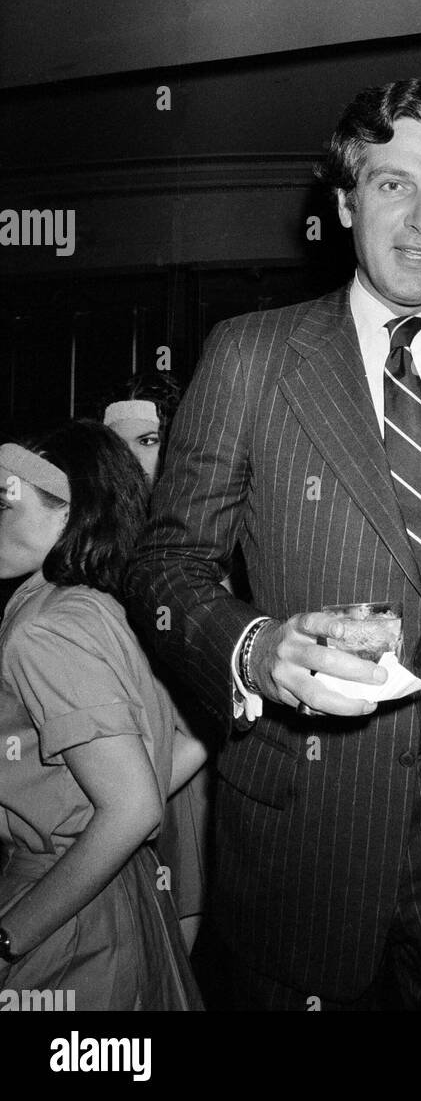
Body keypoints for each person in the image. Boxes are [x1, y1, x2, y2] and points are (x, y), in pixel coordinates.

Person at [125, 80, 421, 1011]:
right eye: (393, 184)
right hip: (304, 838)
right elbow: (165, 565)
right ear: (343, 202)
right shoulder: (250, 353)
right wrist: (253, 648)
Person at [0, 423, 205, 1009]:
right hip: (114, 889)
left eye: (4, 502)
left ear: (71, 513)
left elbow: (133, 807)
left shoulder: (48, 628)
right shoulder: (103, 607)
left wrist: (12, 935)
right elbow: (190, 740)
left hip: (61, 908)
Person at [101, 372, 213, 951]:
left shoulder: (201, 542)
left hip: (182, 776)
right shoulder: (96, 544)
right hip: (117, 775)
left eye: (149, 440)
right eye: (120, 442)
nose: (133, 458)